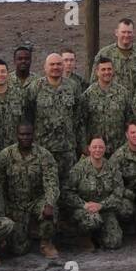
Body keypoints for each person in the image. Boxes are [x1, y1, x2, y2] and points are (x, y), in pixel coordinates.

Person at [0, 124, 60, 259]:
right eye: (22, 134)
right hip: (15, 205)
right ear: (17, 135)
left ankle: (46, 243)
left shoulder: (44, 155)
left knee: (50, 210)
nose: (25, 137)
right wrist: (3, 211)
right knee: (18, 249)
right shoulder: (5, 155)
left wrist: (49, 203)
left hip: (36, 200)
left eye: (28, 135)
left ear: (33, 135)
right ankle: (29, 232)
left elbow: (51, 182)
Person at [63, 138, 131, 250]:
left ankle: (99, 235)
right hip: (85, 210)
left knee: (114, 243)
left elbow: (118, 193)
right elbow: (67, 193)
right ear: (89, 148)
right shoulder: (78, 169)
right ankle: (83, 237)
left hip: (104, 209)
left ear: (105, 149)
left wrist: (101, 205)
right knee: (93, 220)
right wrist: (84, 205)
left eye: (101, 147)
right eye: (94, 147)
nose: (97, 150)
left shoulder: (112, 168)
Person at [33, 53, 82, 181]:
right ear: (45, 67)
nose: (55, 67)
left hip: (67, 148)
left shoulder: (73, 86)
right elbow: (28, 114)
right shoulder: (35, 87)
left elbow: (79, 115)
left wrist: (80, 144)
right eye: (52, 64)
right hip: (43, 147)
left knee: (68, 185)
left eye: (59, 64)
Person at [80, 57, 131, 157]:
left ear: (113, 71)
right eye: (103, 69)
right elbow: (82, 123)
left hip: (118, 148)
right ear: (97, 72)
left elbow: (130, 119)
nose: (106, 72)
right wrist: (84, 146)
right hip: (96, 149)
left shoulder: (123, 93)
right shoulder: (88, 95)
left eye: (109, 69)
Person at [93, 18, 136, 92]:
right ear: (116, 32)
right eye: (123, 32)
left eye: (129, 32)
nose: (126, 35)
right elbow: (94, 82)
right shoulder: (104, 54)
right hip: (113, 101)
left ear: (134, 33)